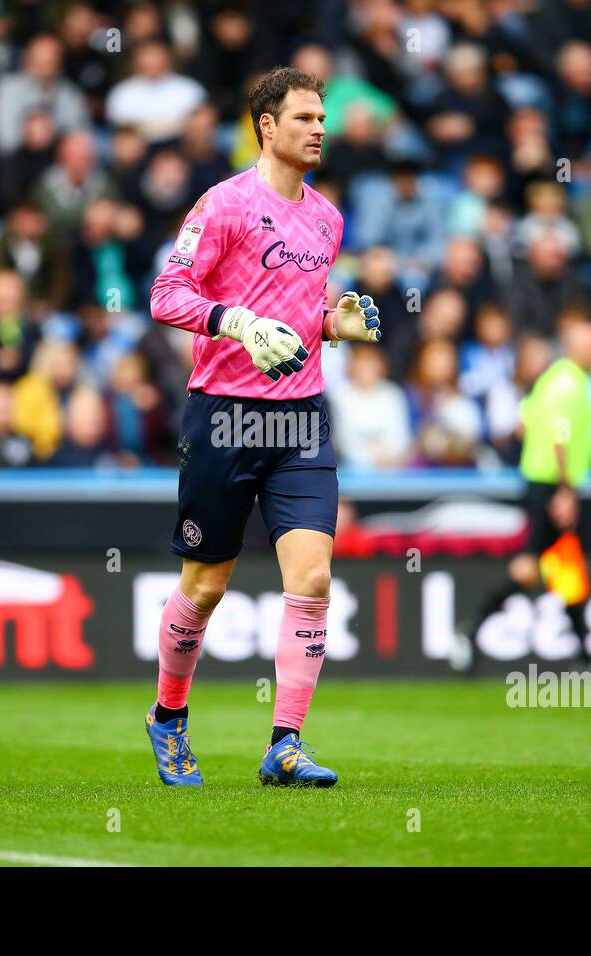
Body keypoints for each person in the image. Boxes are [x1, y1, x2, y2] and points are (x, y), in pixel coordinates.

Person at [144, 67, 382, 788]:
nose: (319, 130)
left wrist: (332, 325)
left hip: (300, 420)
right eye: (305, 118)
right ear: (266, 126)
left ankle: (285, 743)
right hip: (224, 416)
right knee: (205, 586)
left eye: (323, 119)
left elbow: (298, 315)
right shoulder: (223, 205)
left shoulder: (328, 218)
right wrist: (235, 322)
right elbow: (165, 294)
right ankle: (168, 717)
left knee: (312, 577)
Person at [455, 317, 591, 669]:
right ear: (577, 348)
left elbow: (521, 424)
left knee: (562, 565)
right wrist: (565, 489)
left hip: (542, 483)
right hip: (551, 485)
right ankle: (471, 629)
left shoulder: (551, 379)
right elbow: (560, 434)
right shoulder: (570, 383)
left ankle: (585, 655)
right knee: (533, 567)